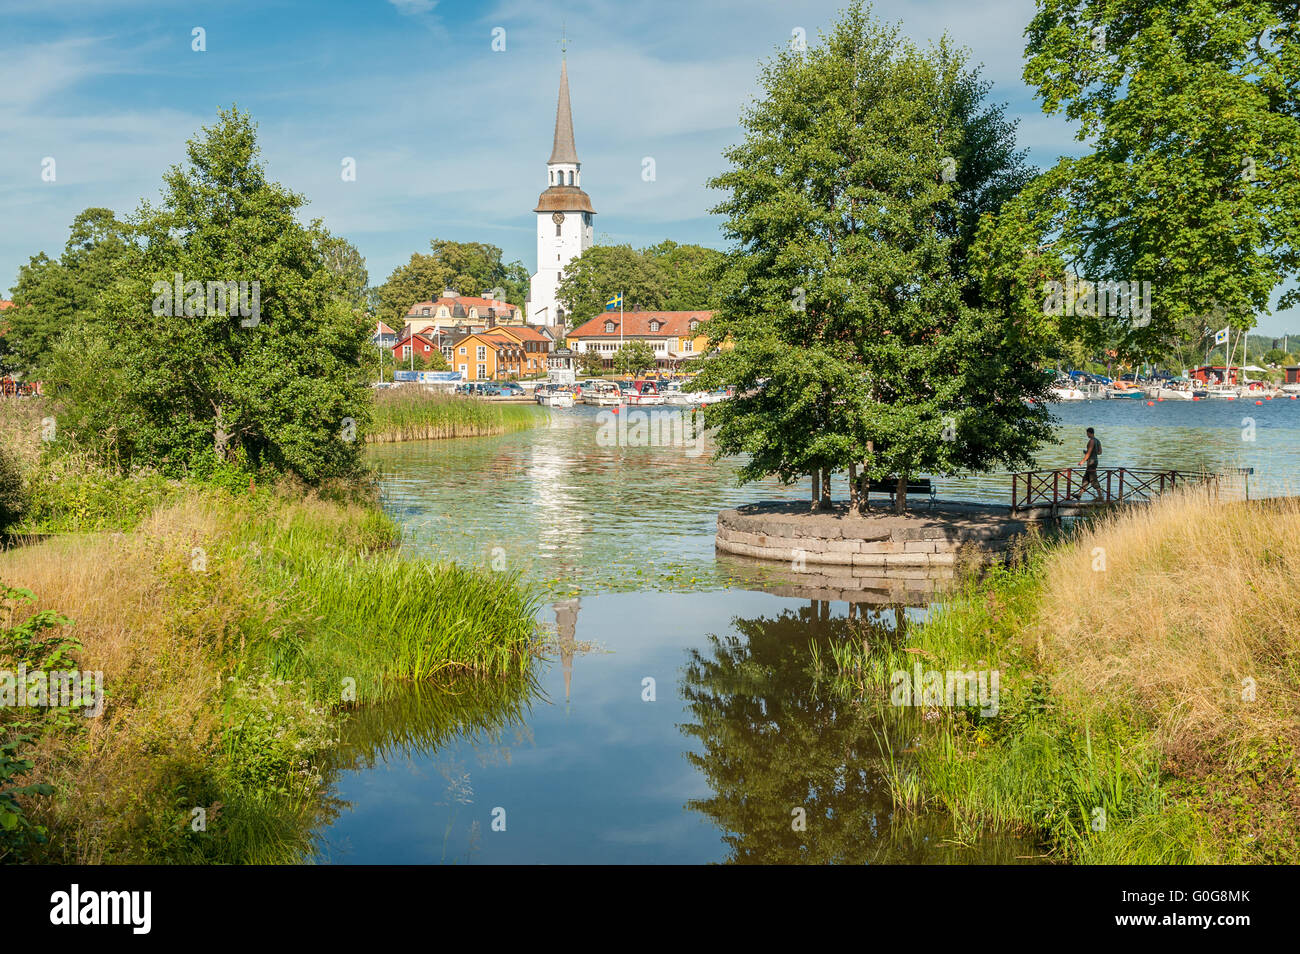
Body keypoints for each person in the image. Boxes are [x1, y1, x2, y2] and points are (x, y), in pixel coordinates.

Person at [1069, 427, 1102, 500]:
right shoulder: (1097, 441)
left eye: (1087, 433)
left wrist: (1082, 461)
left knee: (1093, 479)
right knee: (1086, 479)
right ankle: (1079, 495)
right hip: (1095, 461)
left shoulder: (1092, 441)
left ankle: (1100, 497)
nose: (1087, 435)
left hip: (1091, 462)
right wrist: (1092, 452)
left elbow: (1089, 453)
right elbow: (1100, 452)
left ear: (1090, 433)